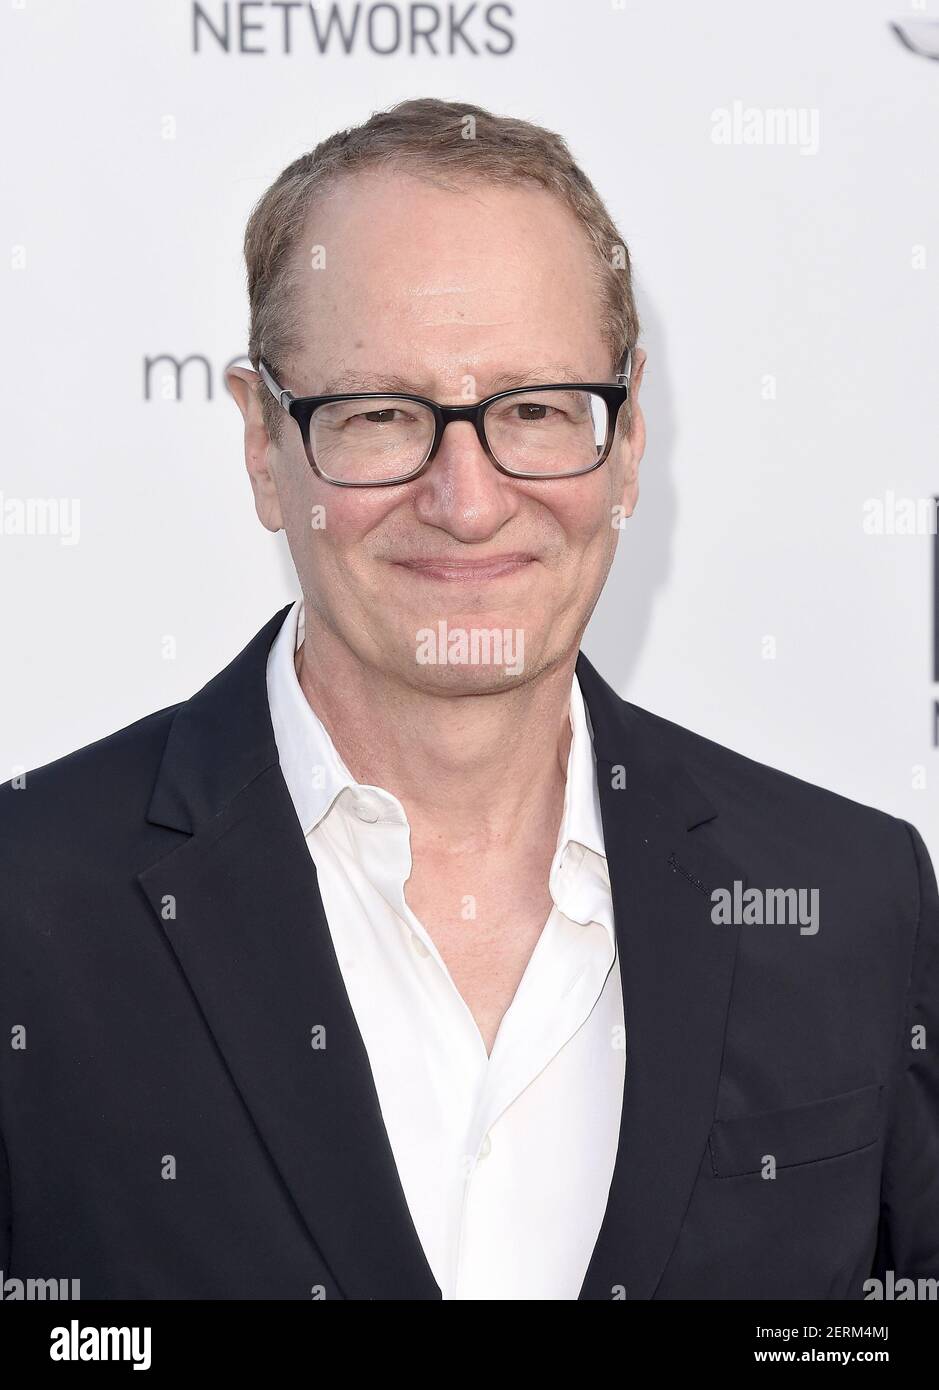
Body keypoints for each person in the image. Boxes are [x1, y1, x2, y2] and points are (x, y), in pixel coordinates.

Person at [1, 98, 936, 1301]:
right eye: (381, 413)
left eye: (535, 411)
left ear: (632, 435)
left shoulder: (853, 900)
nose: (468, 498)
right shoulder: (28, 907)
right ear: (261, 447)